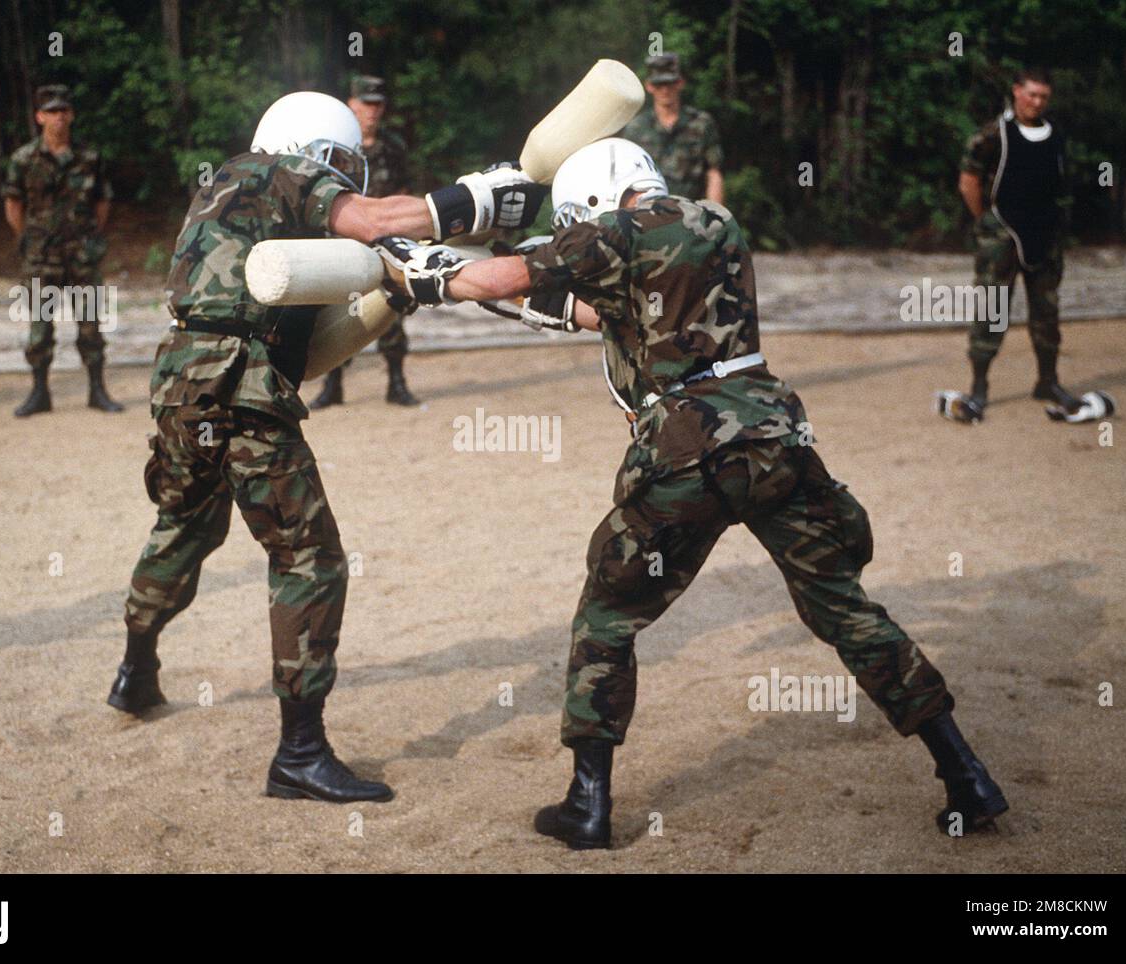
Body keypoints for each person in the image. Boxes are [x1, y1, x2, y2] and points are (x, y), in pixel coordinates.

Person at [376, 138, 1008, 847]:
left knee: (608, 617)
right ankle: (966, 774)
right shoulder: (713, 227)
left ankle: (588, 806)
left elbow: (506, 278)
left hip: (689, 457)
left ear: (593, 204)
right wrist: (488, 284)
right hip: (774, 442)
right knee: (845, 609)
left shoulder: (620, 231)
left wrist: (424, 271)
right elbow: (580, 307)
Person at [109, 89, 546, 805]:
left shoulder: (230, 192)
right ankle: (299, 755)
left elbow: (312, 349)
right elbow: (374, 221)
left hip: (182, 382)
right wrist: (474, 198)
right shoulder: (282, 172)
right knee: (309, 559)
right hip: (238, 386)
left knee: (185, 525)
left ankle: (135, 668)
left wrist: (403, 286)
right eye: (340, 162)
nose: (347, 176)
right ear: (314, 150)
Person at [946, 68, 1077, 423]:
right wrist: (986, 222)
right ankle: (979, 387)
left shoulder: (1055, 136)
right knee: (992, 310)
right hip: (1001, 235)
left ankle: (1047, 382)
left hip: (1045, 235)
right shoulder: (992, 135)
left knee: (1047, 314)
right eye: (1031, 94)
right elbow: (968, 182)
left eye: (1043, 97)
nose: (1037, 102)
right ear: (1016, 92)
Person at [2, 84, 122, 416]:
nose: (58, 118)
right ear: (39, 117)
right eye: (51, 112)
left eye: (63, 111)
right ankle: (40, 393)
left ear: (71, 115)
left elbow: (102, 200)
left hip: (82, 254)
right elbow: (13, 203)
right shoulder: (24, 159)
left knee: (90, 322)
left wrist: (92, 234)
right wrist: (27, 237)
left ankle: (97, 391)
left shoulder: (89, 157)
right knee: (39, 325)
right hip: (42, 256)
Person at [311, 75, 420, 409]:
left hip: (385, 240)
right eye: (365, 104)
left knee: (391, 305)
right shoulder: (336, 149)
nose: (372, 112)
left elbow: (405, 194)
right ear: (351, 104)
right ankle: (333, 385)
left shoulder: (393, 148)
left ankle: (397, 384)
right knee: (336, 310)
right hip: (342, 241)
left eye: (378, 105)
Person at [621, 53, 724, 203]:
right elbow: (626, 179)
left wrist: (716, 215)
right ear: (649, 86)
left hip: (692, 214)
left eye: (669, 83)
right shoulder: (637, 128)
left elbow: (713, 173)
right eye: (658, 84)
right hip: (649, 214)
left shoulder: (701, 123)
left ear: (680, 83)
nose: (665, 90)